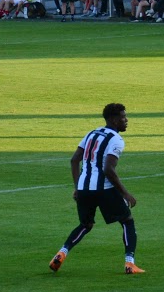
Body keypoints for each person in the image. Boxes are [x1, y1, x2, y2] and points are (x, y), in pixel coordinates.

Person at [48, 102, 143, 275]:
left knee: (86, 224)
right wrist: (125, 193)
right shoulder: (116, 140)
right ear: (114, 120)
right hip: (103, 188)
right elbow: (108, 169)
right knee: (127, 221)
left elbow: (74, 160)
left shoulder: (91, 133)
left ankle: (62, 252)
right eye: (123, 117)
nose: (126, 120)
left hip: (84, 187)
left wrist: (78, 187)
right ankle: (130, 263)